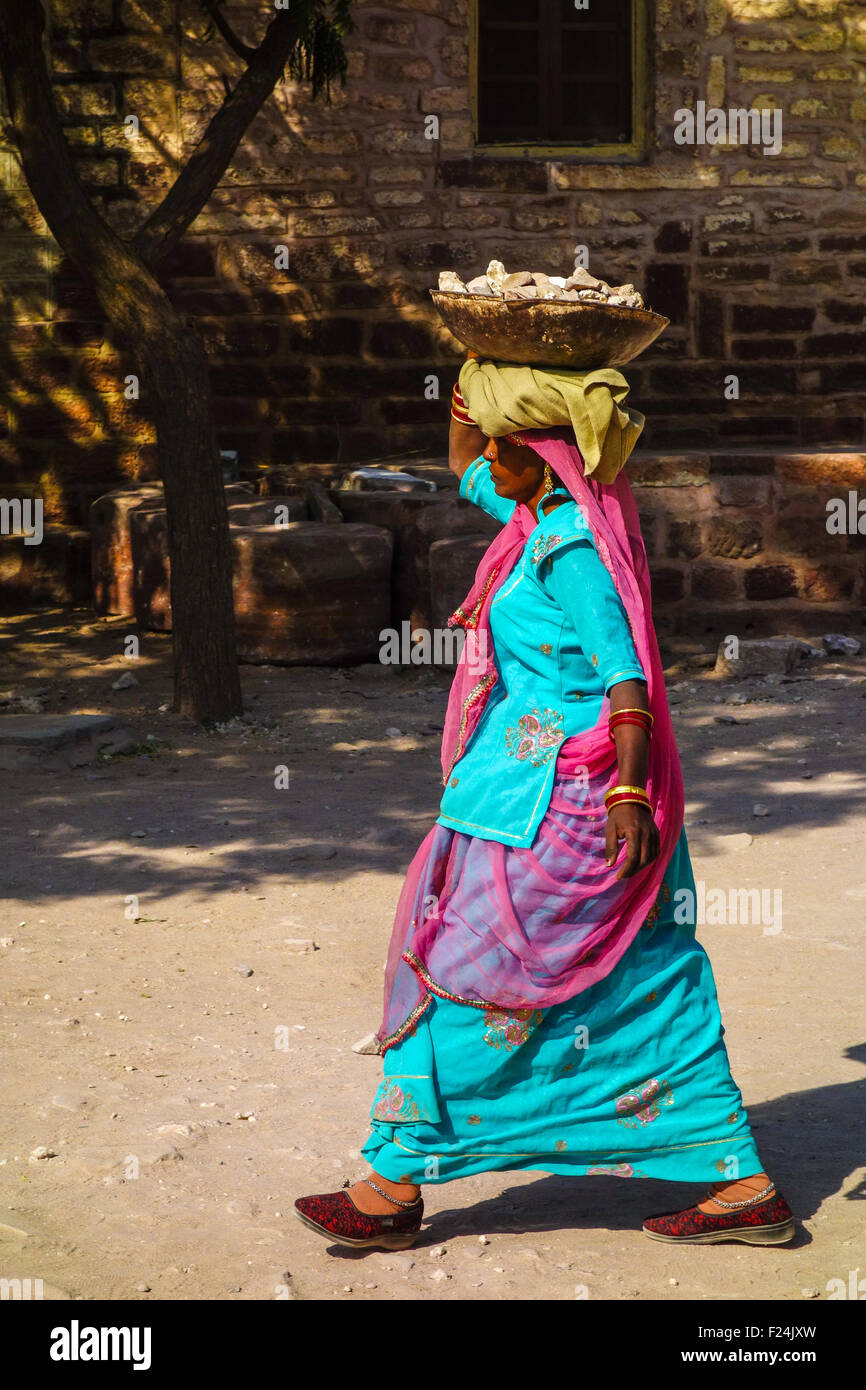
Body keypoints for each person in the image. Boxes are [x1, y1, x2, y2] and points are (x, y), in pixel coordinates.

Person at [294, 363, 795, 1252]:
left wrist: (631, 792)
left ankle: (394, 1182)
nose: (487, 460)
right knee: (643, 979)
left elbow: (626, 678)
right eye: (491, 440)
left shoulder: (571, 553)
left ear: (545, 457)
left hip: (574, 809)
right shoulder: (533, 520)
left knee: (460, 971)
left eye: (505, 445)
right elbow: (462, 463)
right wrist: (472, 373)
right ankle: (738, 1178)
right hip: (503, 794)